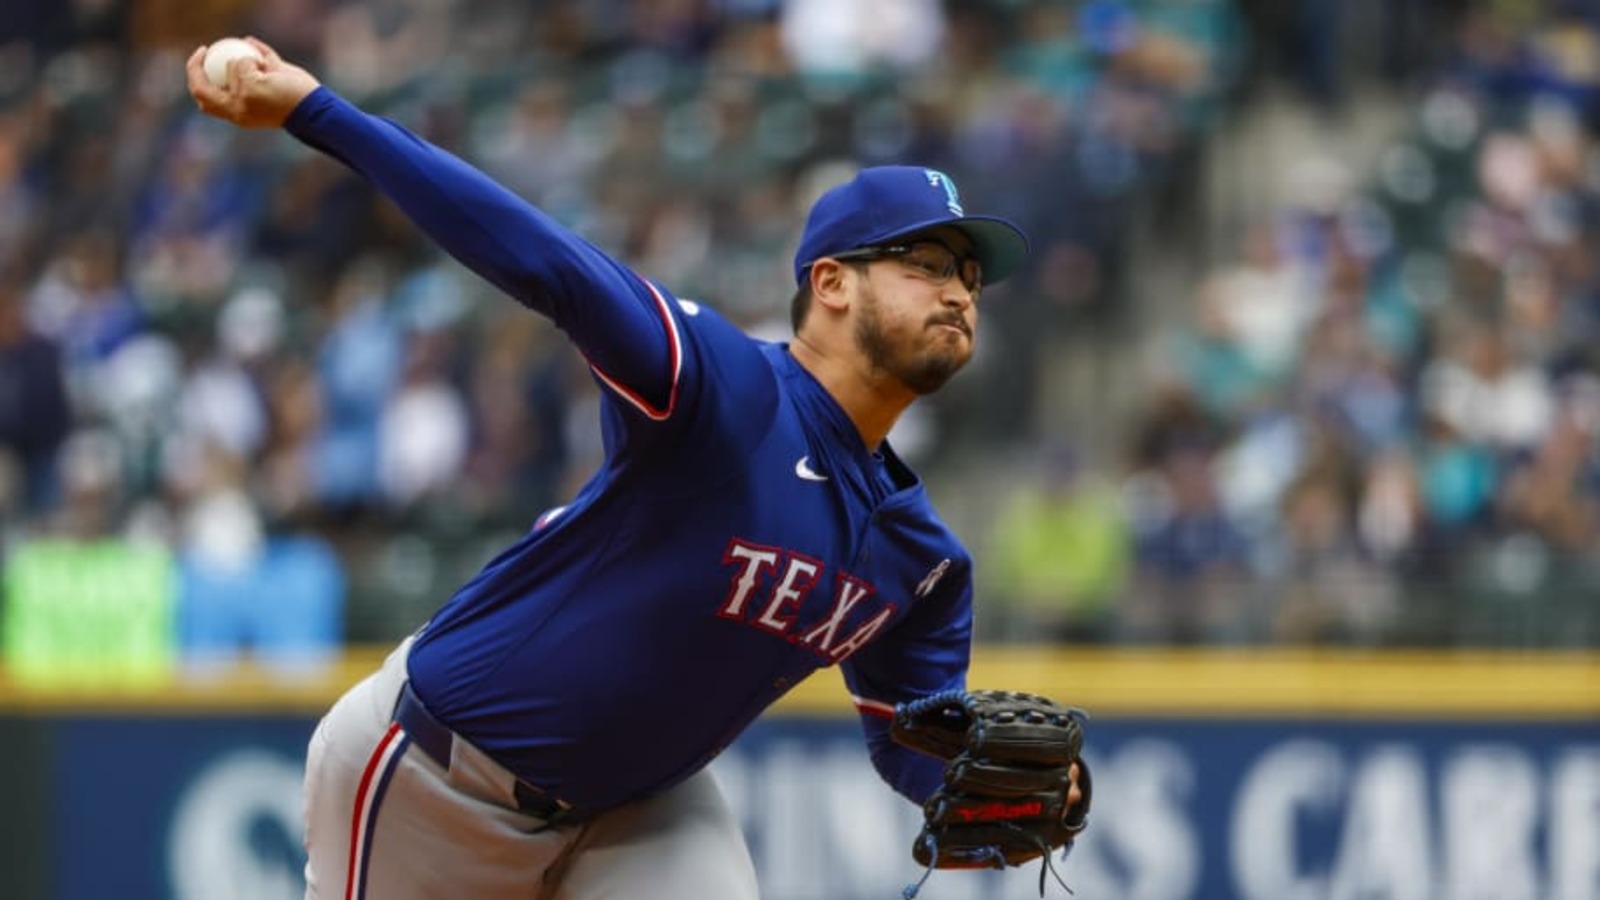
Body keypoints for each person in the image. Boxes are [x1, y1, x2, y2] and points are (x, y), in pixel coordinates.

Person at [186, 37, 1085, 900]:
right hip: (439, 771)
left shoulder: (921, 562)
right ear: (832, 283)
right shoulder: (726, 391)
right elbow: (548, 262)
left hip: (639, 806)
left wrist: (1013, 787)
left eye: (968, 273)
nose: (959, 290)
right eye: (926, 262)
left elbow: (911, 741)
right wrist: (318, 110)